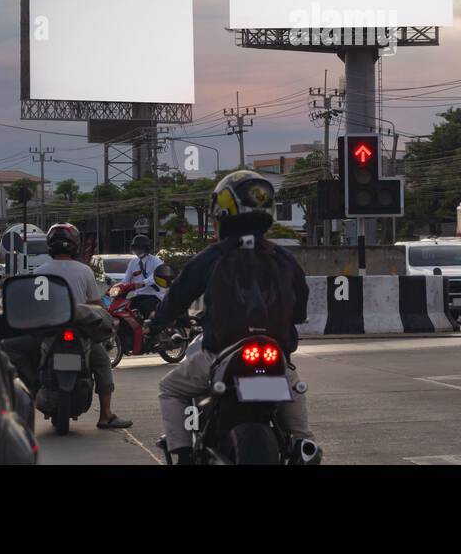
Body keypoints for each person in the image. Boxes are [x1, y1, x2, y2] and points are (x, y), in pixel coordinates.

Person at [149, 170, 316, 465]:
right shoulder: (284, 258)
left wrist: (158, 323)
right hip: (274, 353)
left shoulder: (214, 256)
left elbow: (178, 295)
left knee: (170, 389)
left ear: (222, 210)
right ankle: (305, 446)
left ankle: (183, 455)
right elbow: (301, 309)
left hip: (220, 355)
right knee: (295, 392)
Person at [34, 224, 131, 430]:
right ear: (75, 245)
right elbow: (96, 304)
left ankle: (22, 411)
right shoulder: (84, 270)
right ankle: (105, 416)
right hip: (80, 332)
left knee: (24, 360)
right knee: (102, 363)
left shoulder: (40, 271)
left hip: (49, 332)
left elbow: (36, 306)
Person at [122, 234, 165, 325]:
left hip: (155, 295)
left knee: (146, 308)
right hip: (139, 295)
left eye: (140, 248)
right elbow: (126, 279)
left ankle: (149, 332)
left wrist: (143, 283)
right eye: (135, 248)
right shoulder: (133, 262)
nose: (137, 251)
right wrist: (119, 287)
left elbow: (156, 275)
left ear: (147, 248)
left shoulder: (156, 261)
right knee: (126, 308)